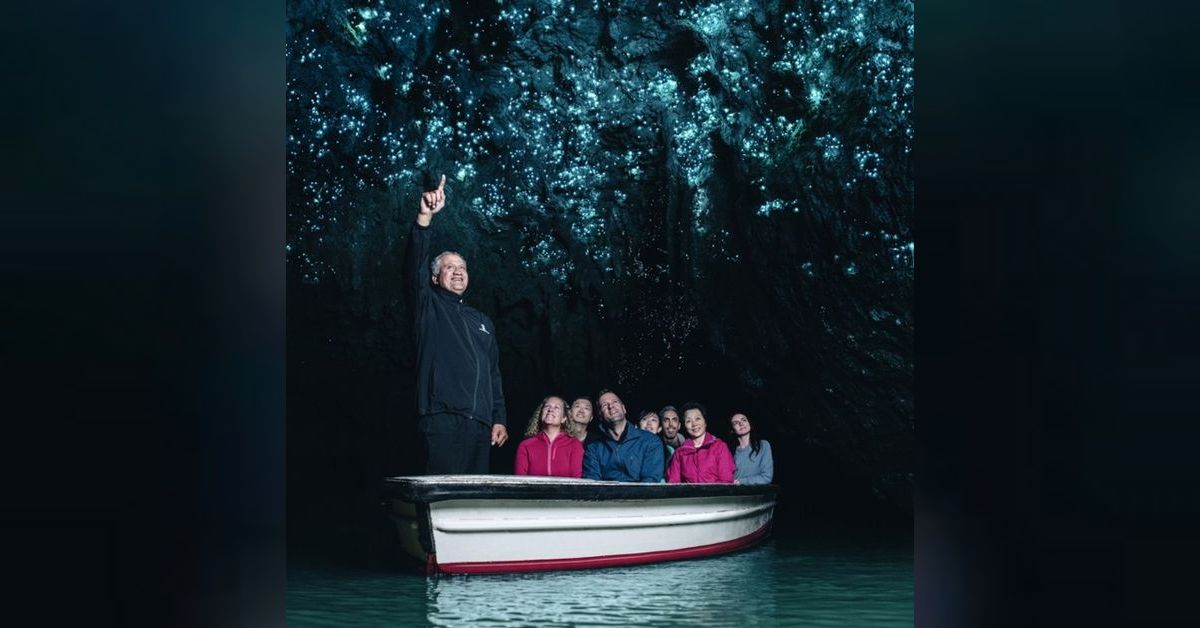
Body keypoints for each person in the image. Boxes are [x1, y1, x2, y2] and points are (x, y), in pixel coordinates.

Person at [404, 174, 508, 474]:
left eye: (462, 267)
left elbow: (493, 374)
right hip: (441, 420)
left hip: (480, 426)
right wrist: (425, 217)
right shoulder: (428, 306)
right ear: (435, 277)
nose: (458, 272)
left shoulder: (482, 321)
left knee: (472, 500)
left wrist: (498, 417)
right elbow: (414, 267)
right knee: (442, 495)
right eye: (450, 267)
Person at [582, 389, 665, 482]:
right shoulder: (593, 448)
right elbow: (592, 483)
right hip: (607, 495)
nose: (611, 406)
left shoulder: (651, 441)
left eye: (615, 402)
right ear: (600, 415)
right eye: (605, 405)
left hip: (641, 495)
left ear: (624, 409)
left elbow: (650, 481)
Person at [665, 402, 735, 484]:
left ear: (705, 422)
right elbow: (674, 483)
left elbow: (726, 480)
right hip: (690, 496)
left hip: (716, 495)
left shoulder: (719, 447)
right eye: (688, 421)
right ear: (684, 426)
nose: (694, 424)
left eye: (697, 418)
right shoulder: (680, 452)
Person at [515, 396, 583, 477]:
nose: (550, 410)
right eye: (547, 406)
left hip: (564, 490)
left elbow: (576, 481)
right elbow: (520, 481)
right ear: (540, 414)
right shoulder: (526, 445)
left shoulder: (574, 444)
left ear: (564, 418)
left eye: (556, 407)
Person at [729, 412, 774, 485]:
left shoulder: (763, 445)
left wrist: (741, 481)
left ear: (749, 423)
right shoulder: (730, 451)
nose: (741, 423)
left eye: (744, 420)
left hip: (756, 494)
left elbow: (766, 477)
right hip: (734, 493)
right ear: (732, 430)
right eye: (736, 423)